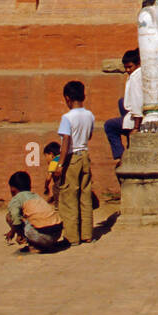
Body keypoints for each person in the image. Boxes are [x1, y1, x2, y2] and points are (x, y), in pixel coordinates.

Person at [56, 80, 95, 245]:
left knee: (69, 197)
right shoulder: (90, 115)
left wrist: (60, 164)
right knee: (85, 196)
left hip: (72, 158)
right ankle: (87, 234)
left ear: (67, 98)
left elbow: (66, 141)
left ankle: (71, 237)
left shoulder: (67, 117)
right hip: (85, 154)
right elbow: (90, 136)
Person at [4, 171, 64, 252]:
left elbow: (15, 218)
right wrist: (12, 231)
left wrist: (16, 233)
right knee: (29, 218)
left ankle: (36, 246)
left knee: (9, 216)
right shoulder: (36, 196)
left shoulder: (16, 199)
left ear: (12, 189)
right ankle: (47, 244)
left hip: (42, 237)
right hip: (57, 234)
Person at [103, 50, 143, 169]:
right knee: (121, 102)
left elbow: (137, 101)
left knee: (109, 125)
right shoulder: (141, 74)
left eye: (130, 67)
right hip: (137, 114)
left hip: (138, 118)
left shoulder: (136, 76)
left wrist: (136, 127)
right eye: (126, 68)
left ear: (138, 64)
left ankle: (120, 155)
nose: (128, 70)